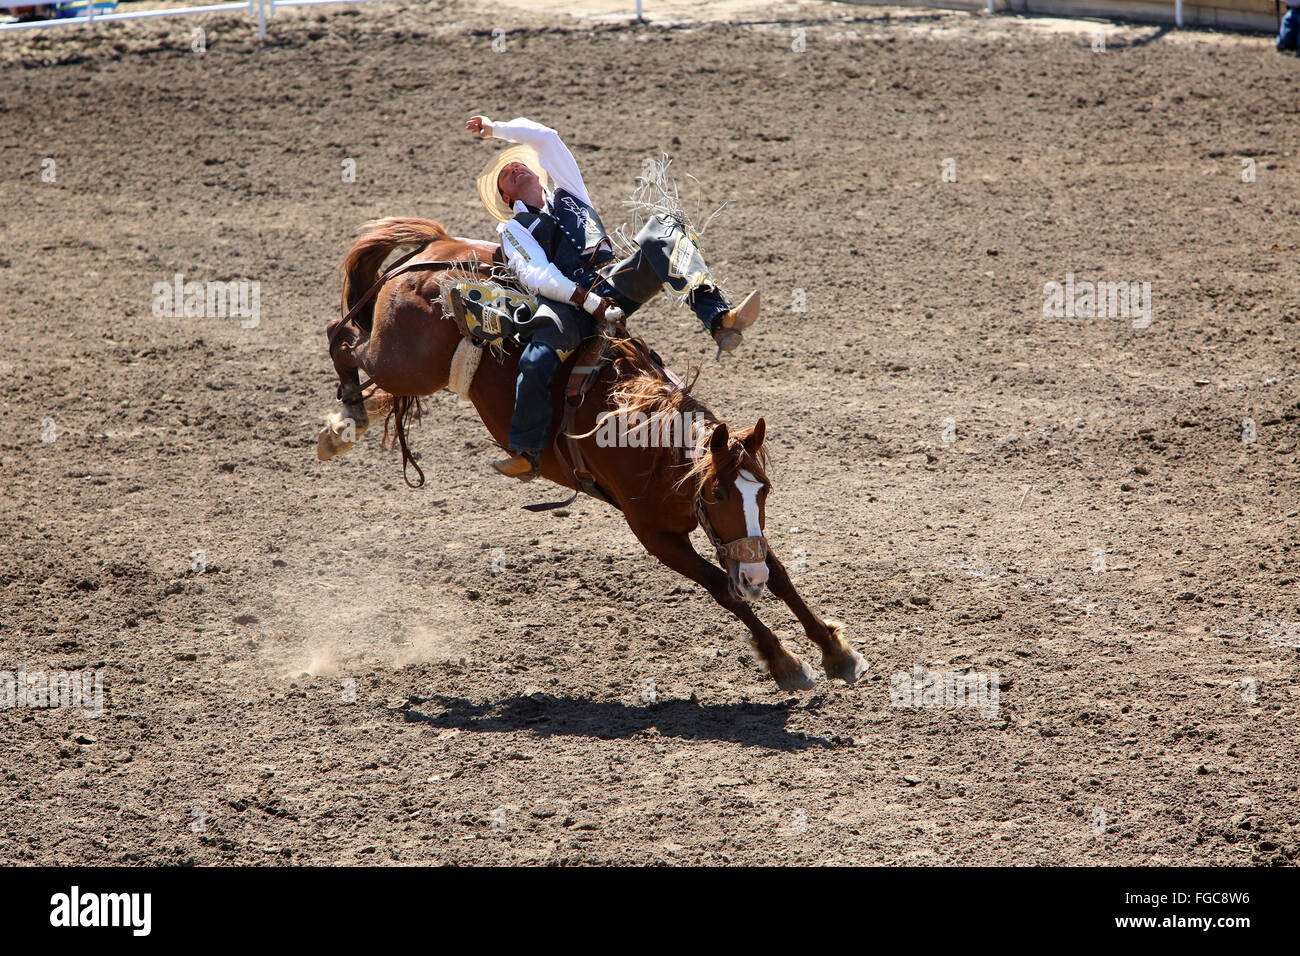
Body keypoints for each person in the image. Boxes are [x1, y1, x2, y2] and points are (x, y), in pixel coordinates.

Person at [466, 115, 760, 480]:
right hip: (566, 308)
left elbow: (546, 136)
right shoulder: (512, 230)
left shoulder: (570, 192)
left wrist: (495, 128)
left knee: (665, 228)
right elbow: (537, 275)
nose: (513, 167)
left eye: (519, 163)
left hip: (612, 281)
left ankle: (720, 319)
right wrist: (585, 301)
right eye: (505, 175)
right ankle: (527, 451)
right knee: (536, 360)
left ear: (540, 173)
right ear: (506, 198)